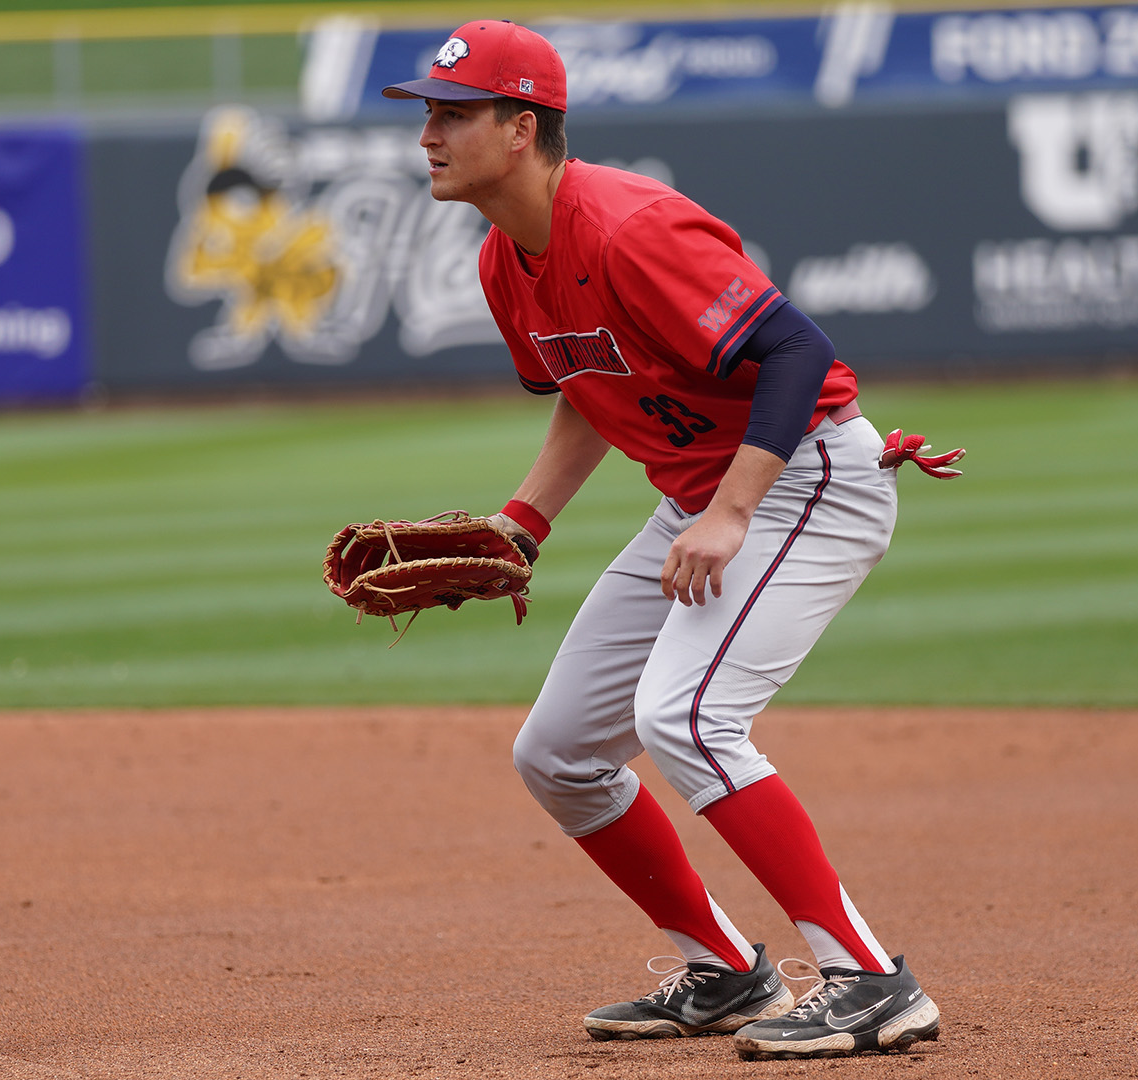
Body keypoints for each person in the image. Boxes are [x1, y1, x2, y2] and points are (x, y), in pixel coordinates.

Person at [384, 20, 951, 1061]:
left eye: (453, 114)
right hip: (703, 498)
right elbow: (588, 389)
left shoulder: (627, 227)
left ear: (521, 129)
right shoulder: (506, 261)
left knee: (689, 716)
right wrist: (524, 521)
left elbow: (797, 351)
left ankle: (872, 983)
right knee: (559, 755)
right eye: (428, 112)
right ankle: (726, 969)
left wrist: (730, 512)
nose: (428, 134)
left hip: (807, 478)